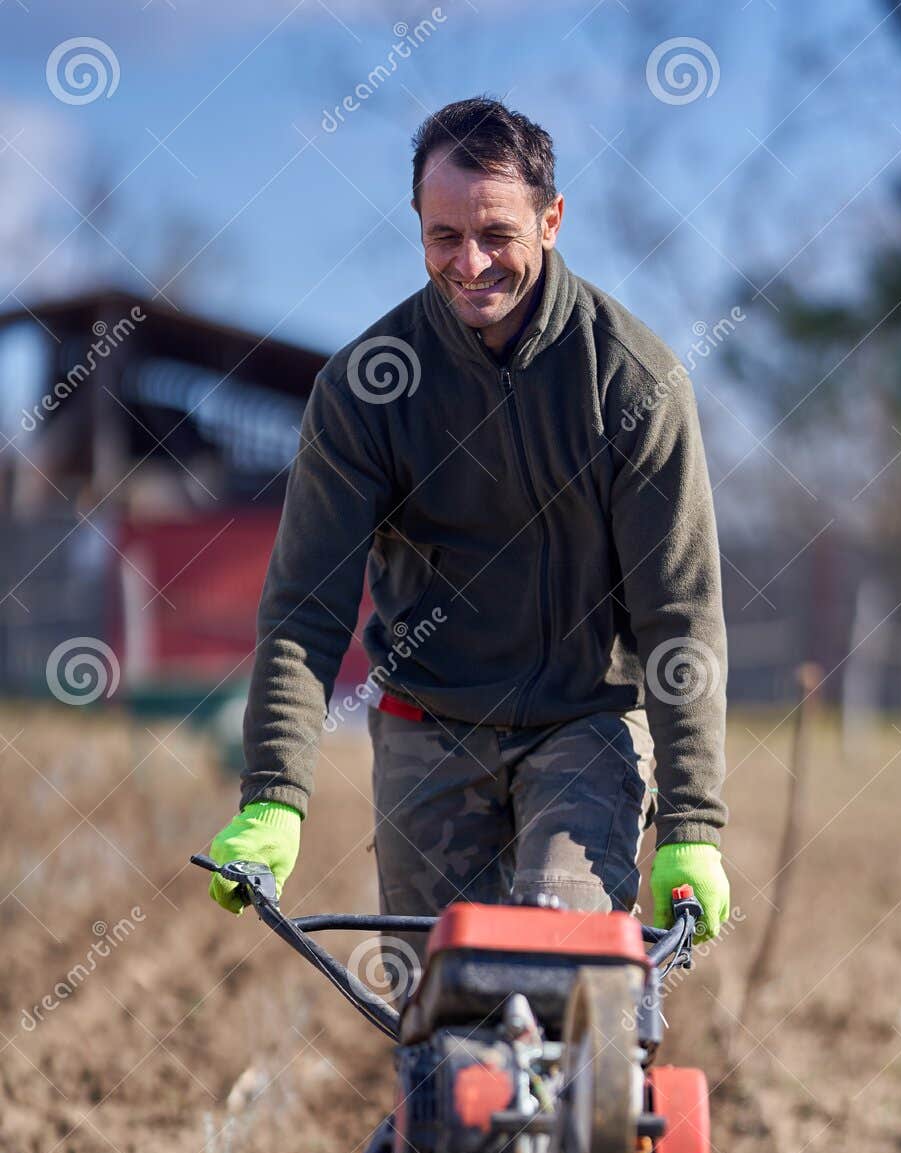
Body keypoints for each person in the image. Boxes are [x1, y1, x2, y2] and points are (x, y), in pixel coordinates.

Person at [207, 97, 729, 944]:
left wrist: (693, 827)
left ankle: (584, 1071)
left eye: (497, 234)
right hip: (428, 726)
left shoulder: (633, 383)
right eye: (443, 236)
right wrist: (273, 795)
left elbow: (678, 614)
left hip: (584, 722)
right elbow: (308, 607)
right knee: (434, 1004)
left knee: (559, 959)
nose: (470, 262)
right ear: (417, 223)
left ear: (551, 220)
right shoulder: (365, 390)